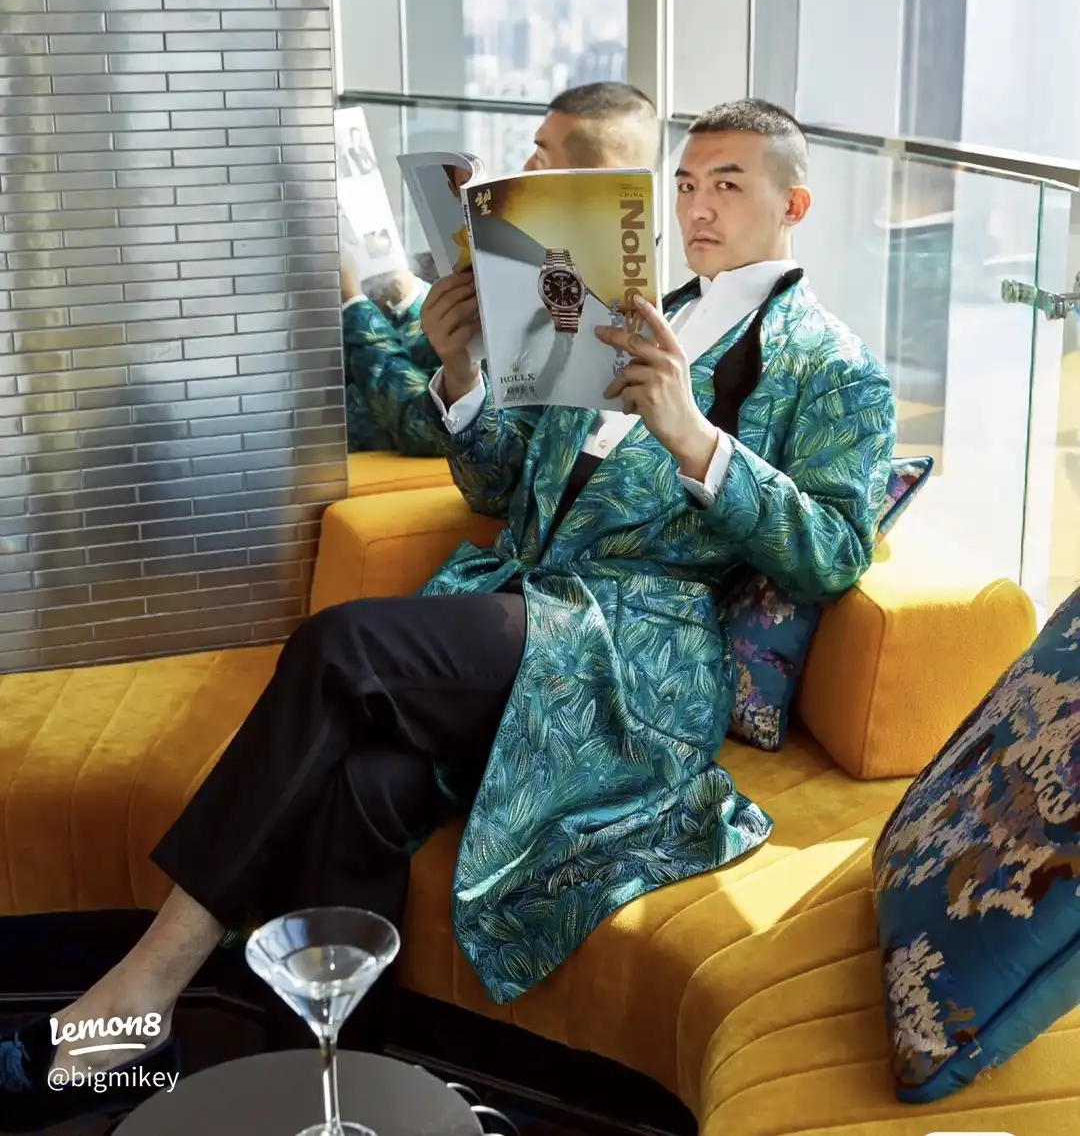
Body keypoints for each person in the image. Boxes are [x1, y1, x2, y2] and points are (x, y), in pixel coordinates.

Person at [0, 99, 896, 1131]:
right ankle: (328, 1090)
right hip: (522, 610)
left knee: (342, 648)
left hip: (628, 657)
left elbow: (832, 550)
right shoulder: (619, 305)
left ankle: (141, 989)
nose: (699, 203)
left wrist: (694, 437)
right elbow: (501, 486)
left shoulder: (831, 365)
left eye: (729, 182)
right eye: (687, 182)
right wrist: (463, 374)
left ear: (795, 202)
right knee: (365, 785)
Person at [343, 81, 661, 456]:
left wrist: (354, 306)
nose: (525, 167)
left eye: (540, 157)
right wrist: (405, 296)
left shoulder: (628, 326)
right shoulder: (540, 262)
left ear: (596, 177)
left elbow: (429, 429)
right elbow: (450, 370)